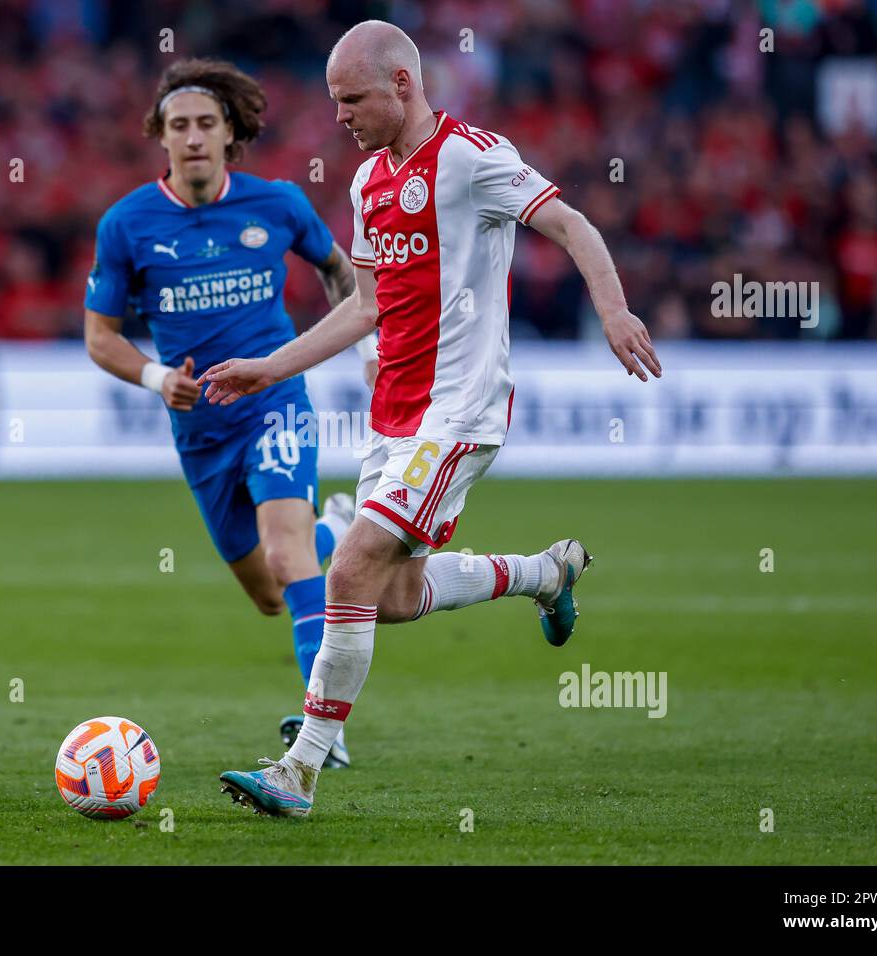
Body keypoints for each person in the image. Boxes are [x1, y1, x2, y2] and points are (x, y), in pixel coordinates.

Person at [199, 21, 663, 816]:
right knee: (388, 596)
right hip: (394, 416)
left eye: (352, 100)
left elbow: (570, 224)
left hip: (461, 410)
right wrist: (270, 366)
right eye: (334, 101)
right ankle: (546, 574)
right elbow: (365, 309)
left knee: (345, 568)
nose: (339, 116)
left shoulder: (472, 157)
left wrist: (614, 311)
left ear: (403, 85)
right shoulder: (366, 183)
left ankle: (300, 770)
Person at [84, 58, 378, 768]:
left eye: (205, 125)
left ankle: (321, 733)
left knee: (284, 552)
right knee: (268, 593)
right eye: (178, 126)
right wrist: (158, 378)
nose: (192, 138)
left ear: (229, 135)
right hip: (199, 428)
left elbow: (343, 272)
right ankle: (333, 532)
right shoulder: (127, 225)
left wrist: (360, 343)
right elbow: (100, 336)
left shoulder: (276, 205)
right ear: (161, 136)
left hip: (274, 400)